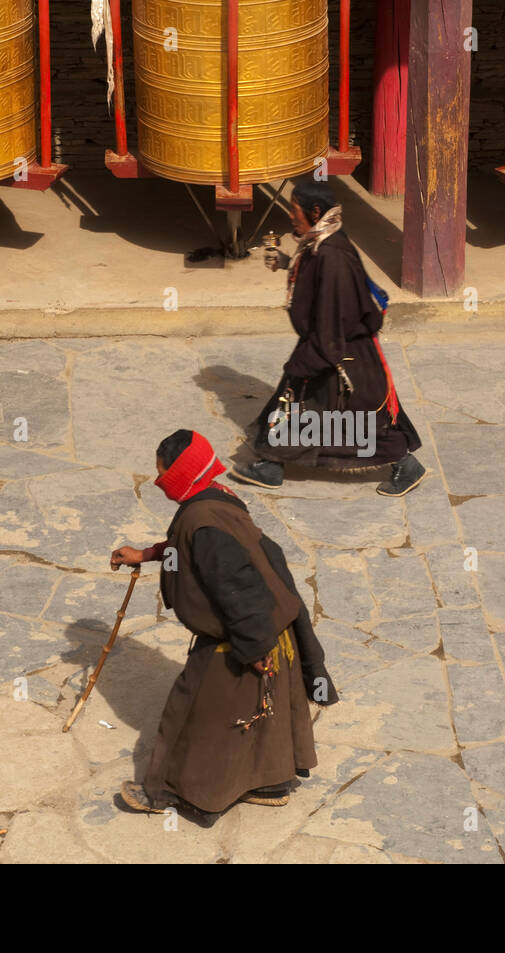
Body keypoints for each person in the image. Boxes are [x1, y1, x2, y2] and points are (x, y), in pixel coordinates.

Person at [111, 429, 338, 815]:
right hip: (270, 626)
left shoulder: (202, 519)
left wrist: (255, 649)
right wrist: (147, 554)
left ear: (180, 473)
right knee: (258, 711)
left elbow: (238, 590)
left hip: (246, 634)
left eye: (162, 472)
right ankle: (270, 783)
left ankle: (168, 791)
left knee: (192, 713)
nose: (158, 479)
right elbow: (190, 551)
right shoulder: (217, 498)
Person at [231, 178, 427, 497]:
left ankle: (405, 464)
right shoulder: (323, 237)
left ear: (315, 210)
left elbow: (334, 313)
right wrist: (287, 263)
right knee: (299, 407)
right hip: (328, 342)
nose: (291, 216)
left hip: (340, 351)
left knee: (358, 415)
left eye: (295, 210)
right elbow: (314, 277)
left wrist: (314, 357)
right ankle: (272, 463)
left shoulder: (332, 256)